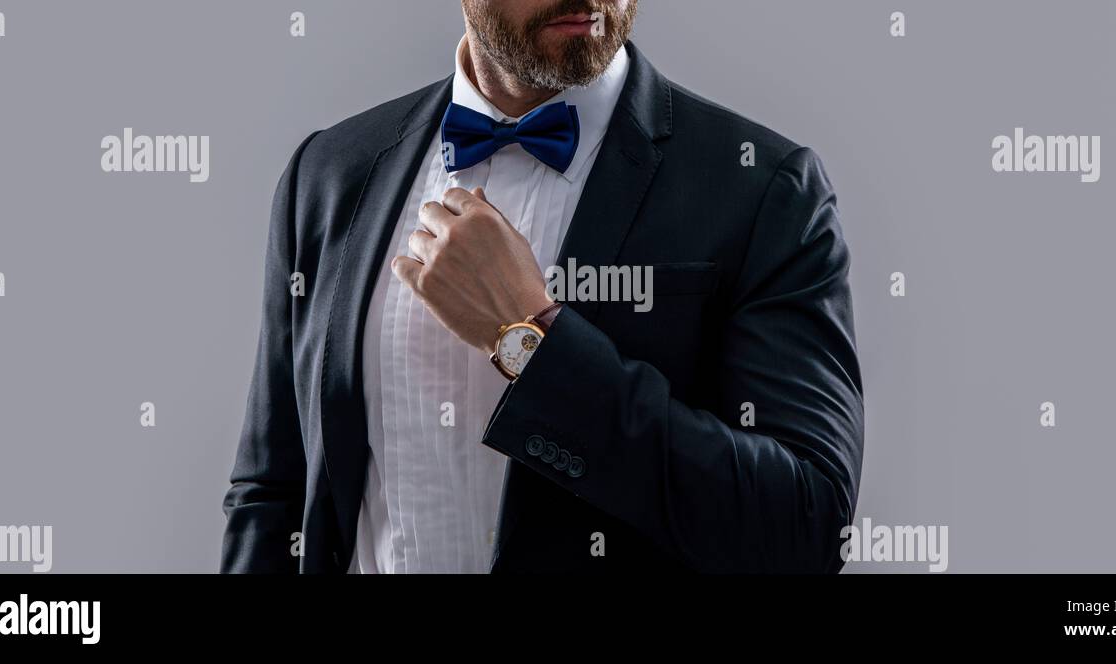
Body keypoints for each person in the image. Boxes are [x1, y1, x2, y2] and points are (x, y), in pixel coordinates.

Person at [222, 0, 864, 574]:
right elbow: (272, 494)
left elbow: (804, 525)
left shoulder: (762, 189)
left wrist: (529, 337)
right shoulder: (328, 175)